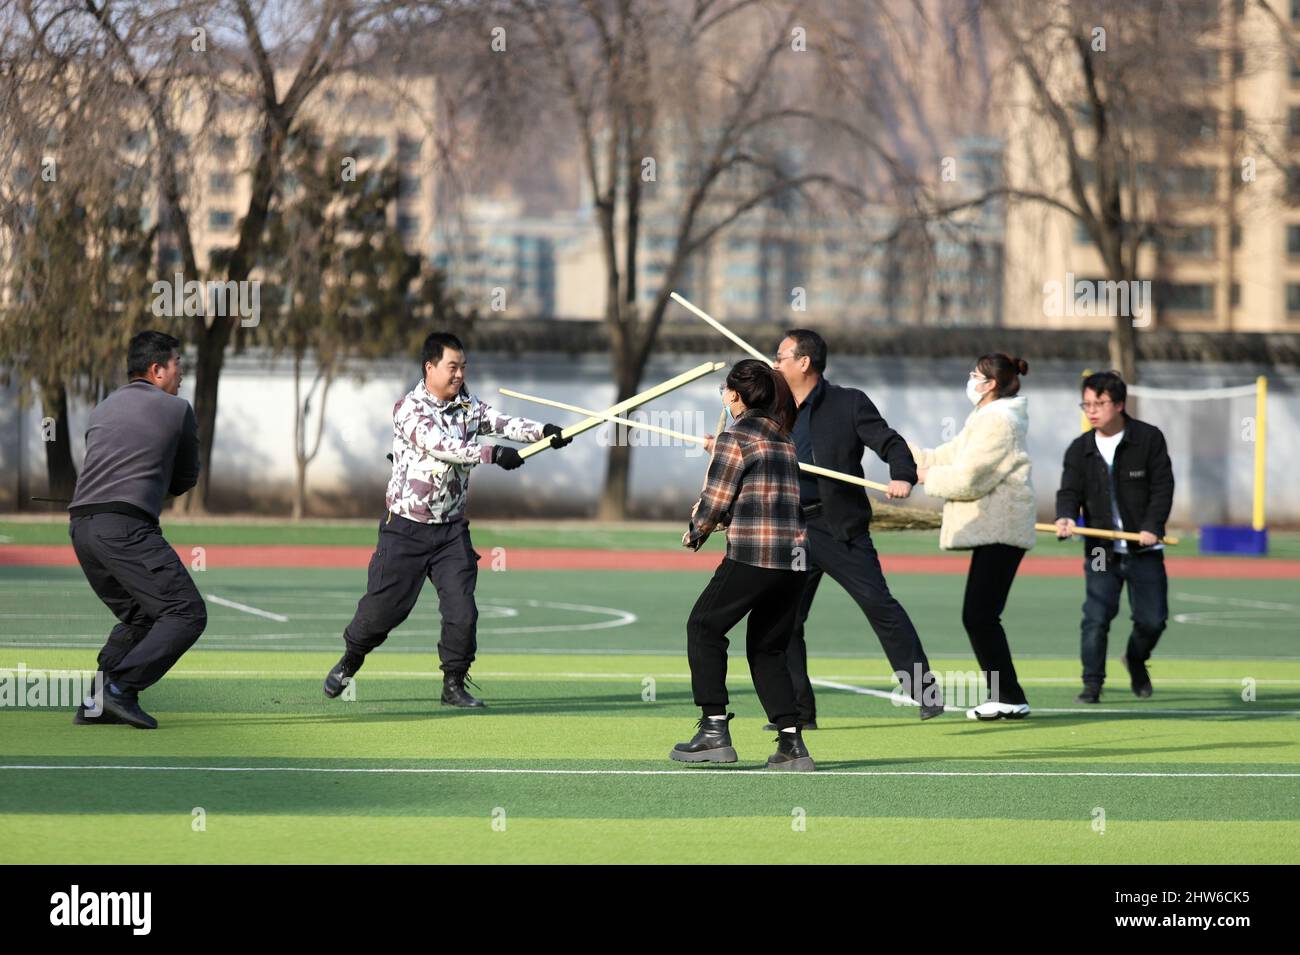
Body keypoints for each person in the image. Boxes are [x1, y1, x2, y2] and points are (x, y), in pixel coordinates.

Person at [323, 332, 571, 707]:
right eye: (452, 367)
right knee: (383, 612)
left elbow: (500, 421)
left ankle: (453, 684)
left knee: (463, 611)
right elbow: (445, 448)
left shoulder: (467, 404)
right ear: (430, 367)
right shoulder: (409, 409)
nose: (459, 374)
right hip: (405, 528)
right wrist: (493, 455)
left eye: (463, 367)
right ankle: (351, 658)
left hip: (451, 531)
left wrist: (544, 432)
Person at [767, 328, 943, 726]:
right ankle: (798, 712)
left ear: (804, 362)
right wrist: (719, 445)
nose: (774, 364)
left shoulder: (848, 403)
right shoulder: (774, 407)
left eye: (780, 357)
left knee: (880, 607)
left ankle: (925, 692)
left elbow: (892, 444)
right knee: (786, 623)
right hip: (791, 529)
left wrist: (903, 476)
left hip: (838, 526)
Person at [671, 359, 813, 771]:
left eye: (724, 390)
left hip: (755, 556)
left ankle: (714, 730)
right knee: (768, 648)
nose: (723, 395)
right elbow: (762, 502)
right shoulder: (782, 438)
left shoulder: (735, 438)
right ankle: (792, 744)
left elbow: (715, 501)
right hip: (795, 560)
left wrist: (696, 530)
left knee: (703, 627)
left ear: (734, 394)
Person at [68, 330, 204, 729]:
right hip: (126, 528)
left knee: (143, 617)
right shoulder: (177, 410)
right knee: (185, 612)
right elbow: (184, 480)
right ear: (157, 369)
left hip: (82, 529)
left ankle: (96, 700)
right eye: (178, 365)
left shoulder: (103, 407)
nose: (182, 374)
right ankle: (118, 691)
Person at [913, 354, 1036, 720]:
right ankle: (1009, 695)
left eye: (975, 375)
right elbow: (944, 455)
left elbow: (969, 477)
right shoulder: (983, 419)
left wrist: (923, 478)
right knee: (981, 615)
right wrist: (895, 449)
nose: (970, 380)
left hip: (1003, 528)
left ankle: (1009, 696)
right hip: (993, 529)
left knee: (980, 615)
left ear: (991, 384)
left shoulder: (999, 422)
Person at [1055, 371, 1174, 703]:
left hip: (1144, 548)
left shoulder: (1149, 439)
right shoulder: (1079, 449)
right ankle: (1092, 683)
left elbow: (1163, 488)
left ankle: (1135, 659)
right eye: (1087, 404)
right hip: (1100, 551)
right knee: (1096, 615)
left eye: (1100, 403)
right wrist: (1065, 516)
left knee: (1153, 620)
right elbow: (1069, 491)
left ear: (1119, 404)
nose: (1091, 410)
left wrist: (1153, 526)